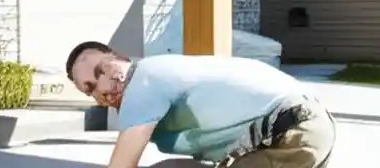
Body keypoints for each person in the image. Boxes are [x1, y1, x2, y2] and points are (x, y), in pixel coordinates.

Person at [65, 40, 336, 168]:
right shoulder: (159, 74)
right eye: (90, 88)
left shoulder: (142, 80)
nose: (102, 87)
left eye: (102, 69)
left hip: (291, 131)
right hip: (304, 127)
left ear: (121, 57)